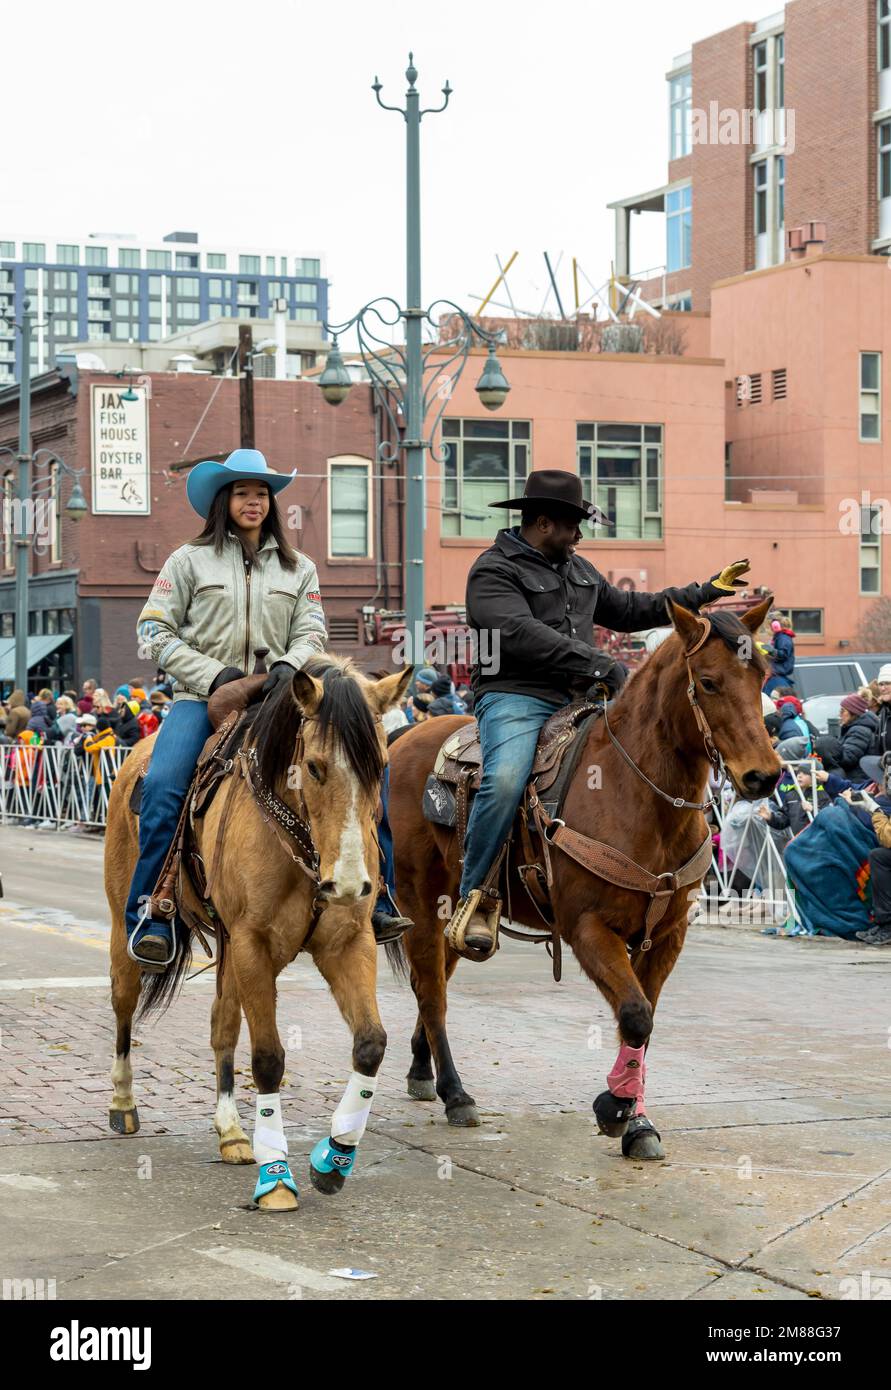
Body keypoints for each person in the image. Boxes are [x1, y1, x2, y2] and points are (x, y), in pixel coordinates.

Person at [445, 468, 753, 958]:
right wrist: (598, 662)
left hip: (579, 700)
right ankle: (476, 895)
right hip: (515, 697)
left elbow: (634, 609)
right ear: (544, 522)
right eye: (573, 525)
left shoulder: (579, 570)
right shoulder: (492, 571)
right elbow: (519, 632)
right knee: (504, 778)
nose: (580, 535)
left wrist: (707, 590)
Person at [125, 448, 409, 972]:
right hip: (203, 699)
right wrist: (213, 675)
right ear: (222, 500)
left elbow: (313, 630)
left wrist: (290, 663)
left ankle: (382, 897)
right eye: (242, 492)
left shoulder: (299, 567)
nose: (253, 501)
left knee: (366, 773)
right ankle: (152, 912)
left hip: (287, 699)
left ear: (272, 502)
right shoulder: (187, 560)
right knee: (164, 786)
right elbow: (153, 631)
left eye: (261, 493)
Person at [817, 694, 877, 777]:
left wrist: (828, 747)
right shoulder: (854, 728)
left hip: (858, 779)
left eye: (842, 711)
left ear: (853, 713)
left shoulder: (859, 730)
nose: (840, 714)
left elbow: (849, 758)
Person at [763, 612, 796, 695]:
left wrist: (771, 650)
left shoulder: (783, 638)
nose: (766, 629)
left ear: (775, 625)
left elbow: (784, 654)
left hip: (777, 676)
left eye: (767, 626)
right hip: (775, 675)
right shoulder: (779, 637)